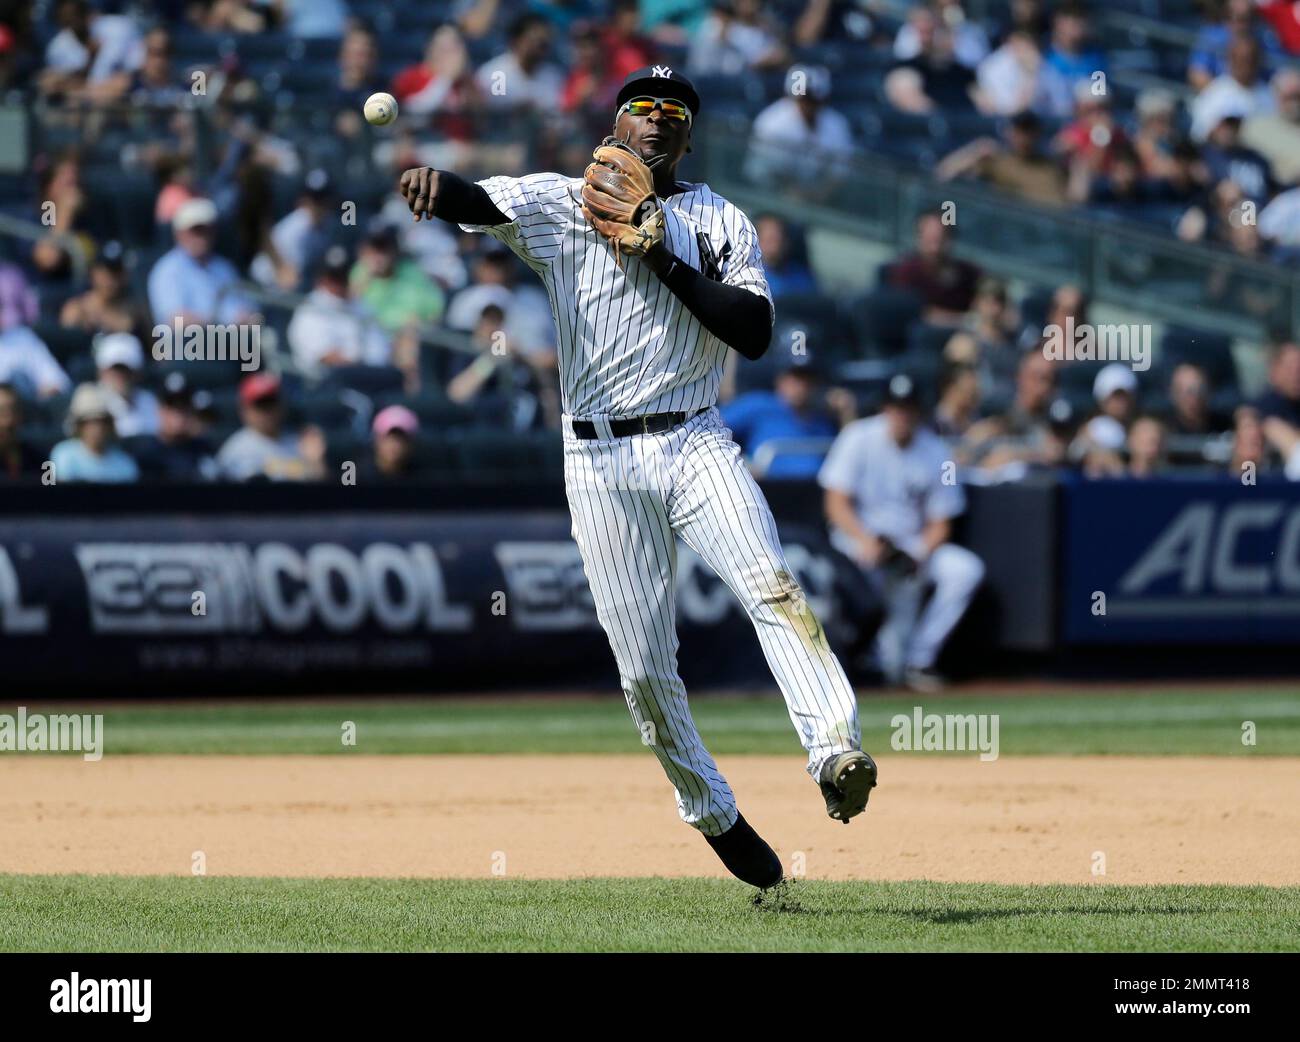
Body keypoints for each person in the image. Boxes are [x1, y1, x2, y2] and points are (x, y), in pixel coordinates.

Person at [398, 65, 875, 889]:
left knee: (772, 585)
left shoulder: (719, 219)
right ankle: (715, 815)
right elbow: (480, 202)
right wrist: (440, 187)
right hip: (597, 456)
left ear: (689, 134)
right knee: (645, 670)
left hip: (695, 440)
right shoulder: (558, 200)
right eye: (640, 108)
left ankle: (835, 751)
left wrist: (661, 257)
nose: (655, 121)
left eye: (672, 112)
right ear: (618, 126)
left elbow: (755, 331)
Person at [820, 373, 984, 691]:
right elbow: (836, 504)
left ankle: (920, 658)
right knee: (887, 661)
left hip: (910, 544)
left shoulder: (935, 451)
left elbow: (942, 522)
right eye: (896, 407)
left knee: (966, 570)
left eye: (908, 407)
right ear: (884, 408)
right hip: (859, 539)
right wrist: (864, 539)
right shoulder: (858, 436)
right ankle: (859, 656)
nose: (902, 415)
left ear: (920, 411)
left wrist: (919, 553)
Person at [721, 353, 837, 478]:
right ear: (780, 379)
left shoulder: (823, 419)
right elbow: (712, 428)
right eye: (796, 378)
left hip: (815, 489)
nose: (801, 386)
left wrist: (847, 414)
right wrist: (740, 463)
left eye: (807, 380)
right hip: (769, 488)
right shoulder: (758, 404)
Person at [287, 246, 392, 382]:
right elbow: (327, 357)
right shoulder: (310, 309)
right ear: (322, 278)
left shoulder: (360, 305)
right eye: (334, 277)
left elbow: (379, 347)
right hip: (325, 382)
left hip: (367, 377)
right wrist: (363, 370)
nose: (339, 282)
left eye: (343, 276)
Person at [745, 64, 855, 189]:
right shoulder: (772, 122)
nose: (808, 105)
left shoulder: (836, 124)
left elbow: (841, 171)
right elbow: (771, 171)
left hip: (816, 195)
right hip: (766, 191)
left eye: (813, 100)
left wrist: (820, 193)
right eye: (804, 98)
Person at [147, 198, 251, 326]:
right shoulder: (167, 270)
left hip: (235, 341)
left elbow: (246, 308)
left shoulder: (224, 267)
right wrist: (222, 324)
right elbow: (175, 320)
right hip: (192, 343)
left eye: (206, 230)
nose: (202, 237)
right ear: (179, 233)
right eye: (196, 230)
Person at [217, 373, 327, 482]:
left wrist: (316, 463)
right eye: (260, 405)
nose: (267, 411)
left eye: (271, 403)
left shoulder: (301, 443)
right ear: (244, 410)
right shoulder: (236, 450)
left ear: (282, 405)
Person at [888, 211, 983, 325]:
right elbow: (912, 312)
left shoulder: (969, 274)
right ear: (919, 238)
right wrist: (965, 320)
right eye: (930, 240)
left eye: (941, 240)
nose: (935, 248)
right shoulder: (906, 273)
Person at [127, 372, 219, 482]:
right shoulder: (141, 452)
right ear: (159, 409)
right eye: (171, 405)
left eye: (184, 406)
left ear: (192, 411)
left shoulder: (204, 450)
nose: (178, 412)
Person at [49, 383, 140, 483]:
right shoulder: (63, 455)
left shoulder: (125, 464)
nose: (98, 428)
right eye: (90, 421)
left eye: (103, 422)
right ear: (79, 425)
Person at [93, 333, 160, 438]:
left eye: (125, 370)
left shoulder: (149, 402)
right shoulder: (91, 402)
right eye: (115, 369)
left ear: (137, 373)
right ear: (101, 372)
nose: (120, 376)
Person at [358, 404, 426, 482]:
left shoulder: (424, 478)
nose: (395, 445)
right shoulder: (357, 476)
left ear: (411, 444)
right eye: (389, 438)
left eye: (401, 439)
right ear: (376, 440)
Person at [0, 383, 44, 482]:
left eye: (13, 411)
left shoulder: (39, 460)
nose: (7, 421)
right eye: (1, 412)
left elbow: (52, 493)